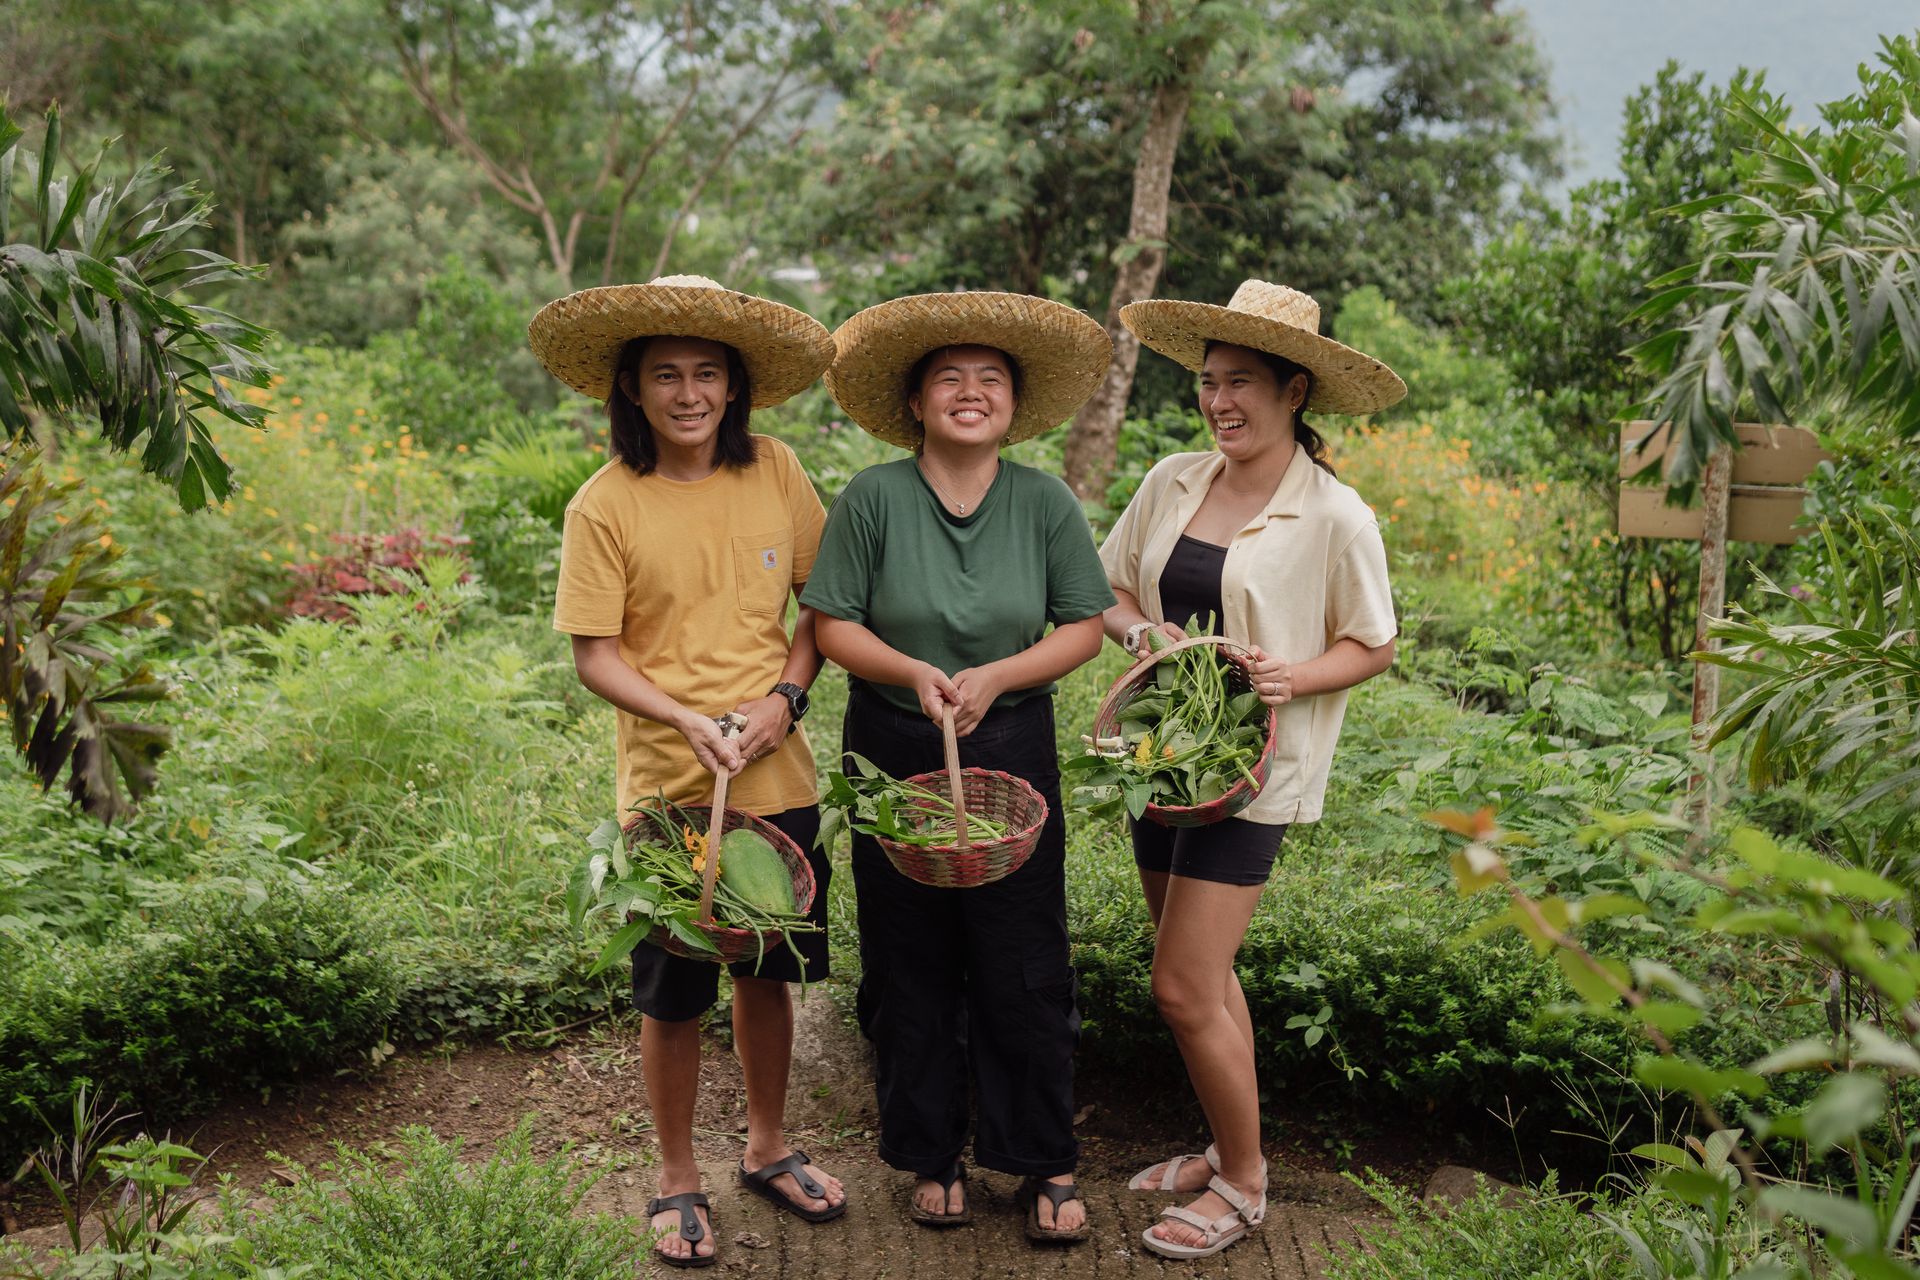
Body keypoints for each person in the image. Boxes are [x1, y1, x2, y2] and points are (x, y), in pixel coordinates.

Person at [536, 275, 848, 1269]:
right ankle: (675, 1172)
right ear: (629, 387)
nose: (688, 392)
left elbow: (822, 610)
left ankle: (766, 1143)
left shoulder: (778, 473)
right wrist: (682, 717)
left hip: (777, 775)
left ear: (734, 385)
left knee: (768, 973)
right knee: (673, 989)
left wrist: (782, 702)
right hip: (670, 793)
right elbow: (596, 652)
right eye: (665, 373)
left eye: (706, 372)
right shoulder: (604, 505)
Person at [1098, 279, 1405, 1261]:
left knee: (1183, 985)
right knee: (1204, 973)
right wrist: (1144, 632)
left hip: (1250, 772)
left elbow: (1373, 642)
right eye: (1208, 381)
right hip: (1162, 755)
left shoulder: (1335, 515)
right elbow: (1107, 588)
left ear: (1296, 390)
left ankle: (1243, 1180)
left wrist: (1288, 676)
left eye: (1242, 383)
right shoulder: (1174, 479)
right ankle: (1227, 1148)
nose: (1220, 400)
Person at [799, 291, 1115, 1244]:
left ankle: (1042, 1156)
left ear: (1014, 404)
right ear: (917, 400)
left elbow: (1086, 628)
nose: (971, 394)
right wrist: (915, 672)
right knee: (909, 952)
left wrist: (995, 679)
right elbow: (831, 624)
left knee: (1024, 955)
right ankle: (929, 1152)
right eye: (950, 379)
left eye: (990, 381)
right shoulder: (873, 498)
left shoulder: (1046, 502)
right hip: (893, 747)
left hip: (1011, 740)